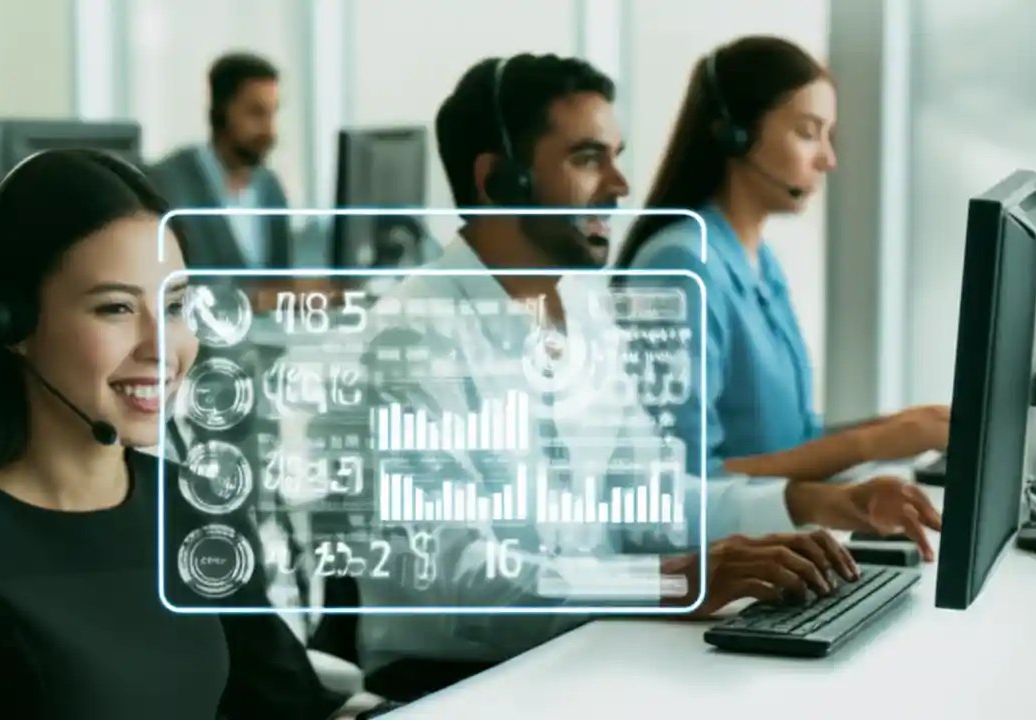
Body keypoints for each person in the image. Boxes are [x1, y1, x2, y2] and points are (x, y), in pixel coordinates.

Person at [336, 53, 941, 703]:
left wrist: (812, 503)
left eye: (616, 156)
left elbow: (655, 497)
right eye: (588, 158)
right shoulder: (412, 339)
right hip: (465, 685)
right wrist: (678, 580)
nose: (621, 184)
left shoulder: (585, 311)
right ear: (497, 179)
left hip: (592, 647)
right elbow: (461, 586)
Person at [0, 149, 379, 719]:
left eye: (173, 306)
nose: (162, 346)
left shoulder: (192, 507)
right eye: (117, 308)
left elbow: (288, 703)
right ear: (12, 323)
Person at [614, 36, 949, 488]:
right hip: (719, 555)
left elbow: (793, 443)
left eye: (828, 136)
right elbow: (683, 482)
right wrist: (871, 444)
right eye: (808, 132)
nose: (828, 159)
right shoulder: (681, 266)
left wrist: (896, 429)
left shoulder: (758, 261)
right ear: (736, 133)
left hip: (777, 543)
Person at [149, 52, 294, 271]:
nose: (269, 130)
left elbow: (281, 281)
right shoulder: (170, 184)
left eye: (272, 114)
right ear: (220, 112)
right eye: (256, 113)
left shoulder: (270, 187)